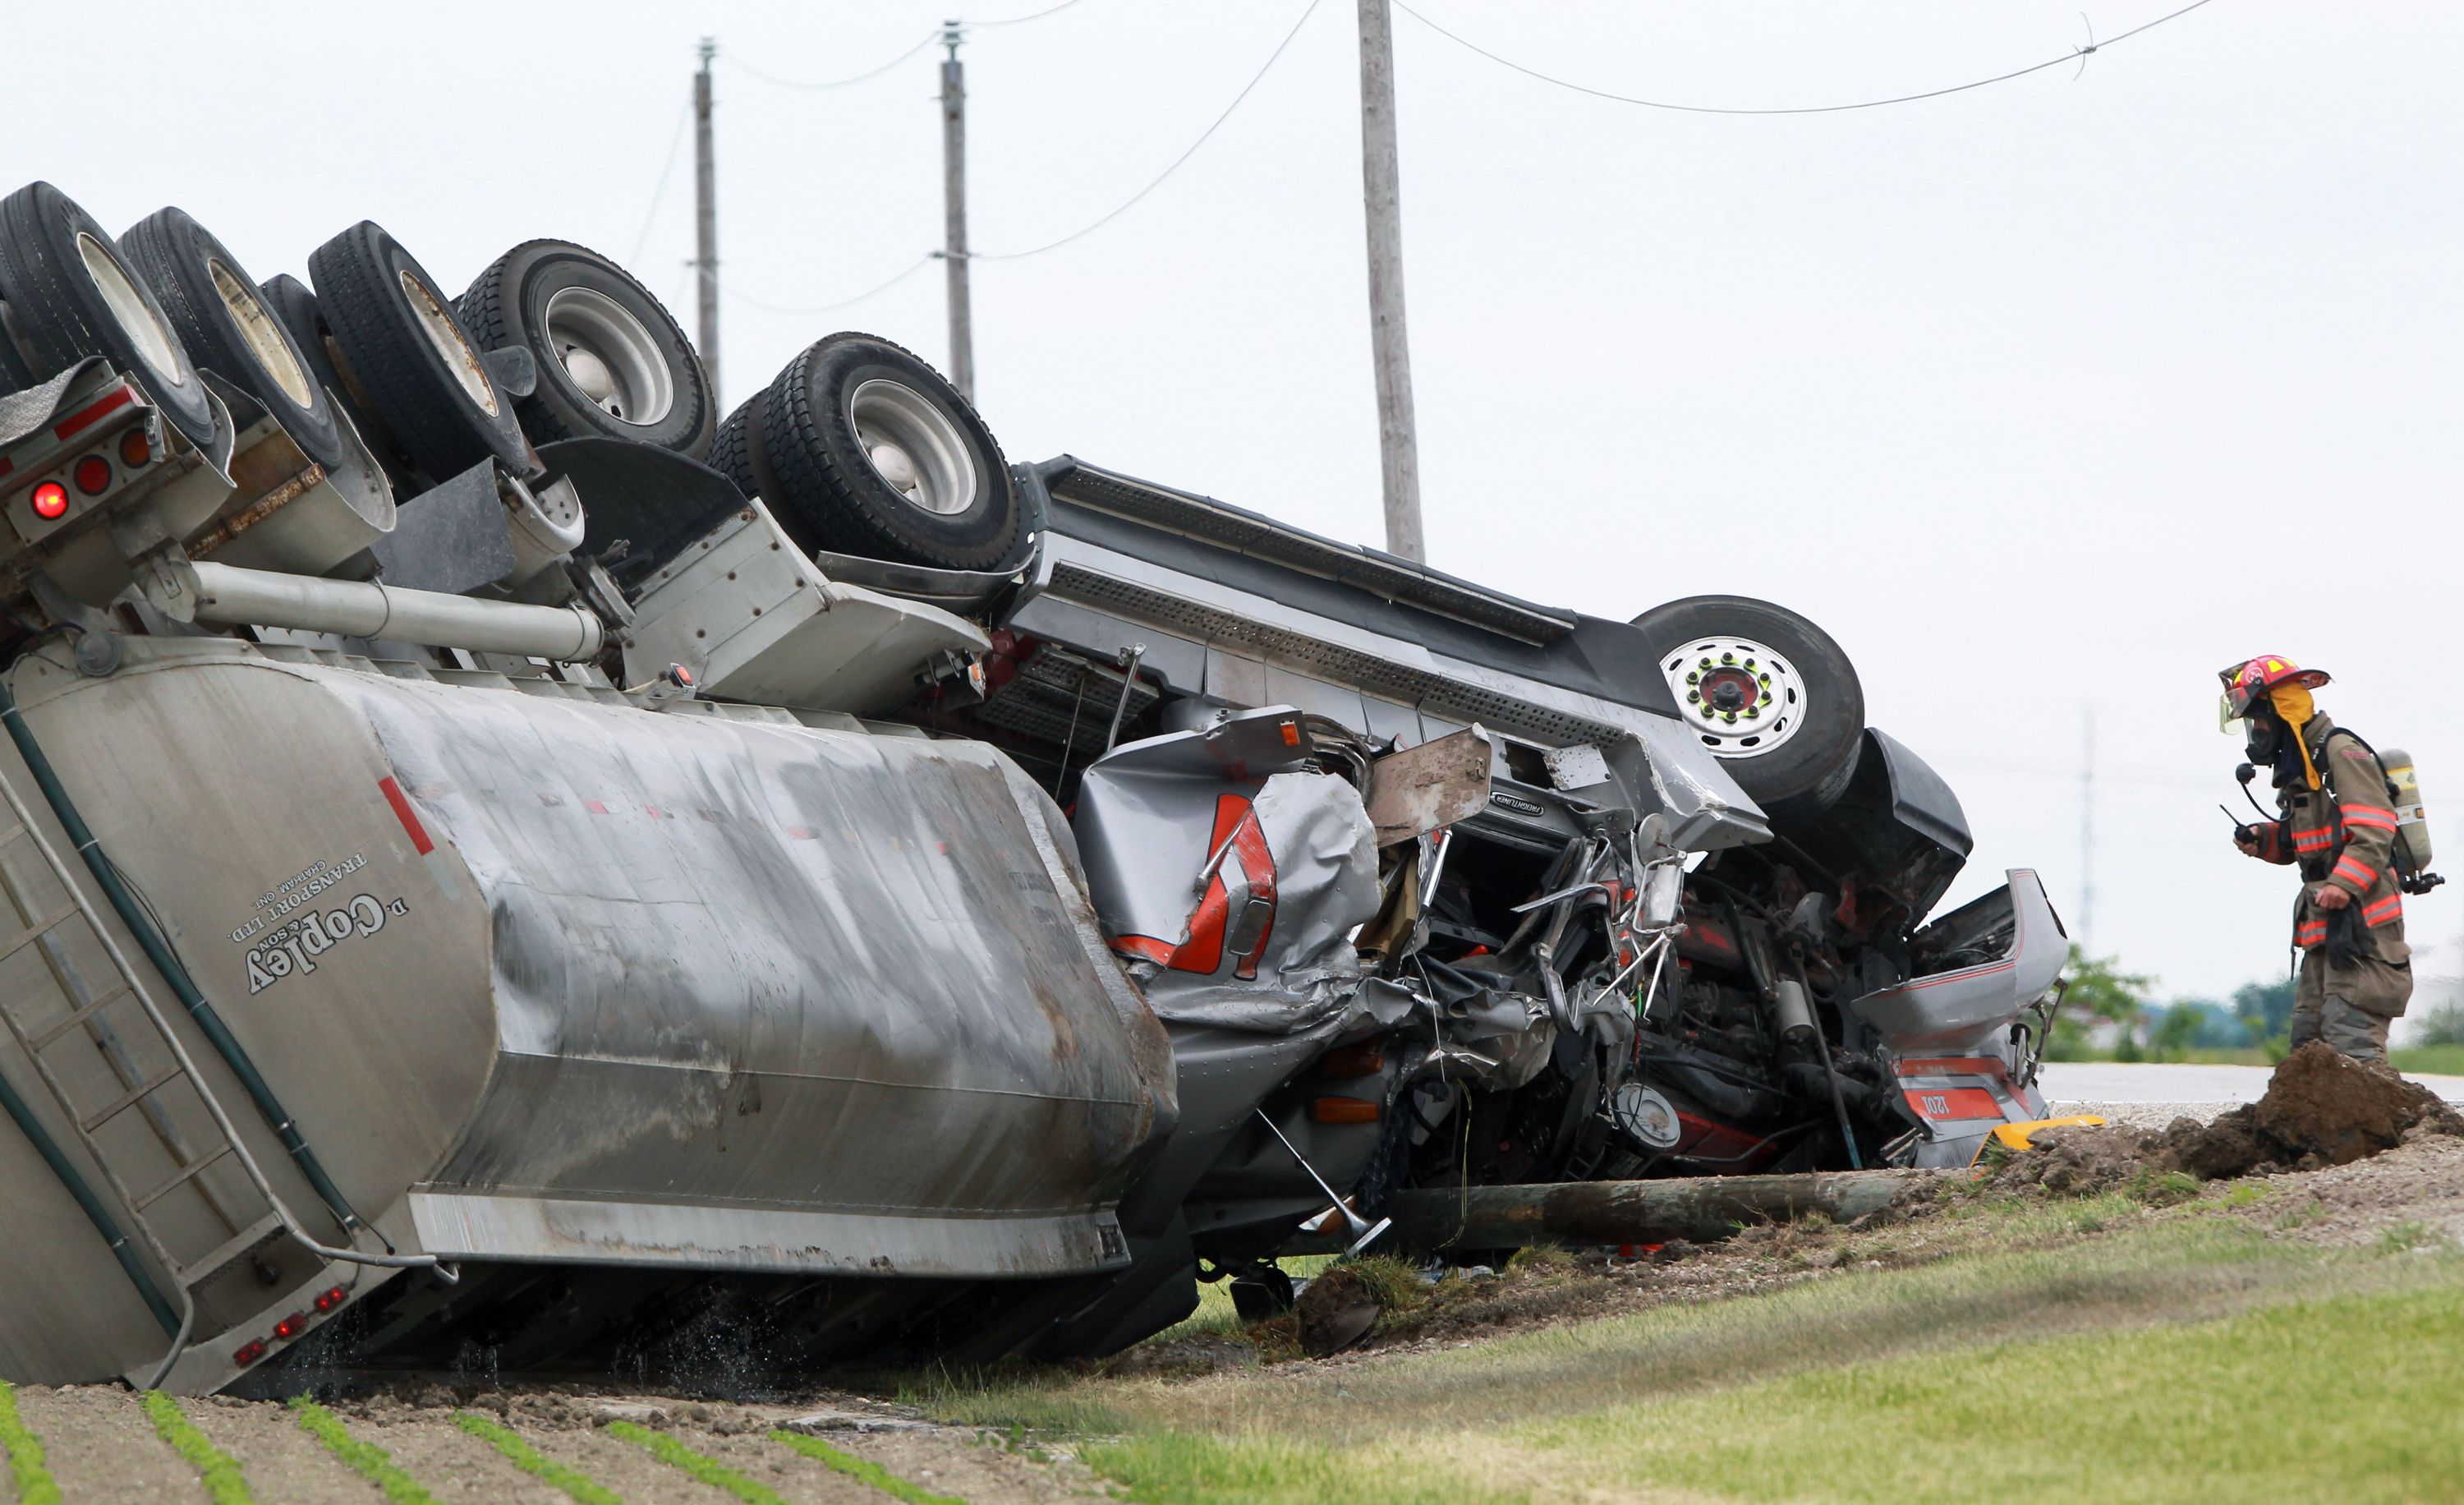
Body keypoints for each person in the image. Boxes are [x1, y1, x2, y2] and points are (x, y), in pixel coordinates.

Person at [2223, 656, 2410, 1063]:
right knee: (2310, 1042)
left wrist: (2343, 885)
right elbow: (2310, 844)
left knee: (2350, 1041)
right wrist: (2266, 839)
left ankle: (2379, 1125)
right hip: (2324, 925)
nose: (2256, 733)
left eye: (2259, 721)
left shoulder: (2340, 753)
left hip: (2366, 923)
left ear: (2280, 711)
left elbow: (2376, 830)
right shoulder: (2300, 763)